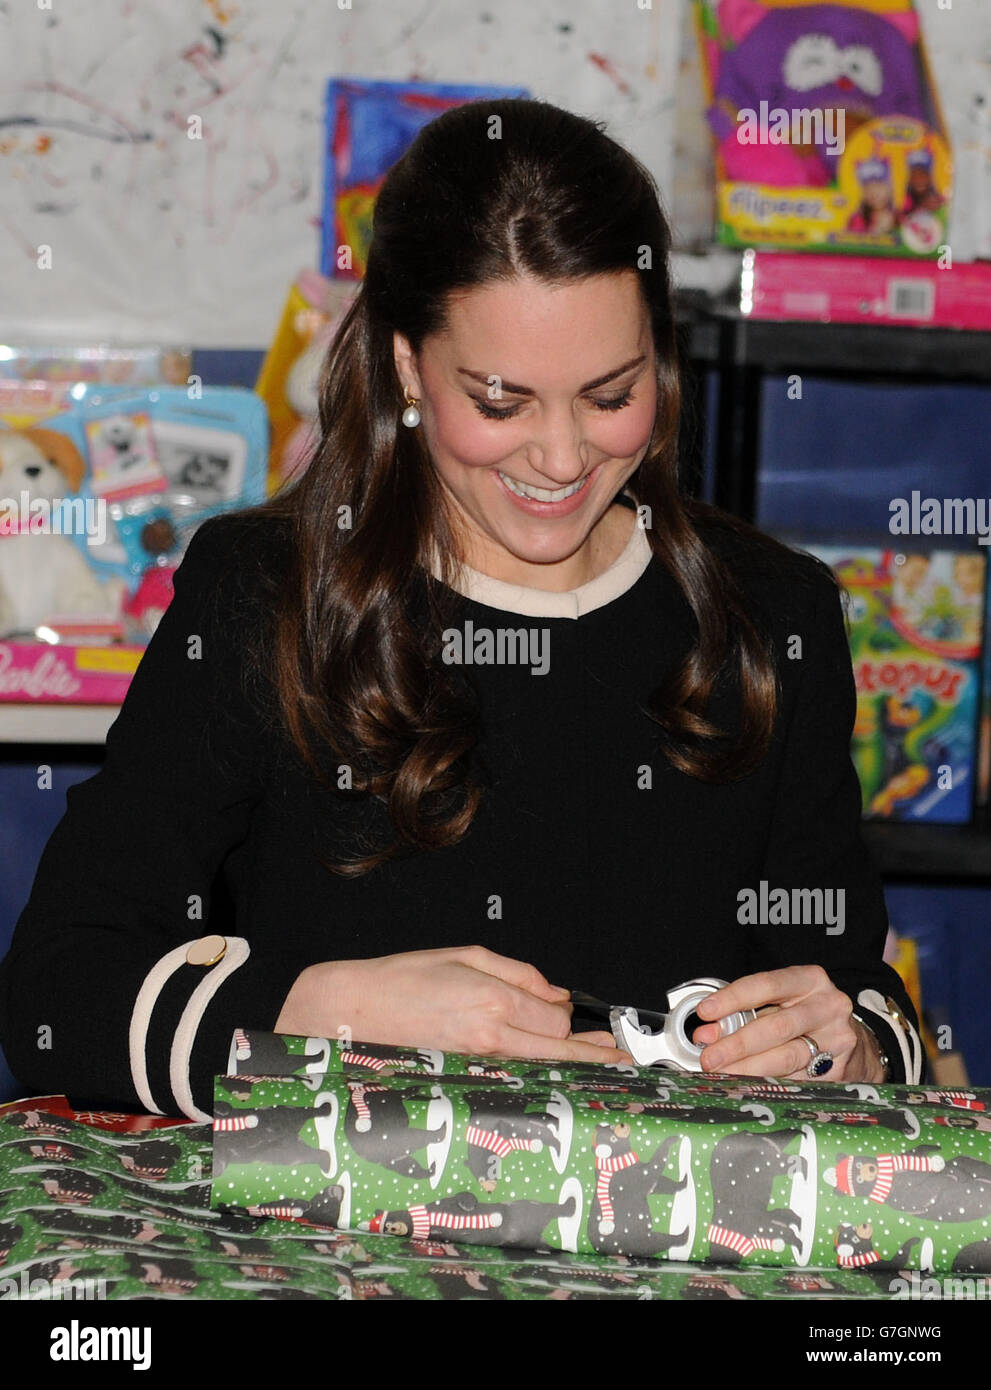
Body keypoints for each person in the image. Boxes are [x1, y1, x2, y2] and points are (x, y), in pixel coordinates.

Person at [0, 99, 922, 1120]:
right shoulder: (268, 594)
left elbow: (856, 994)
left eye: (611, 394)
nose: (563, 457)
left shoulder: (770, 615)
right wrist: (318, 1013)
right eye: (499, 403)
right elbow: (56, 990)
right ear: (405, 364)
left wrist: (855, 1050)